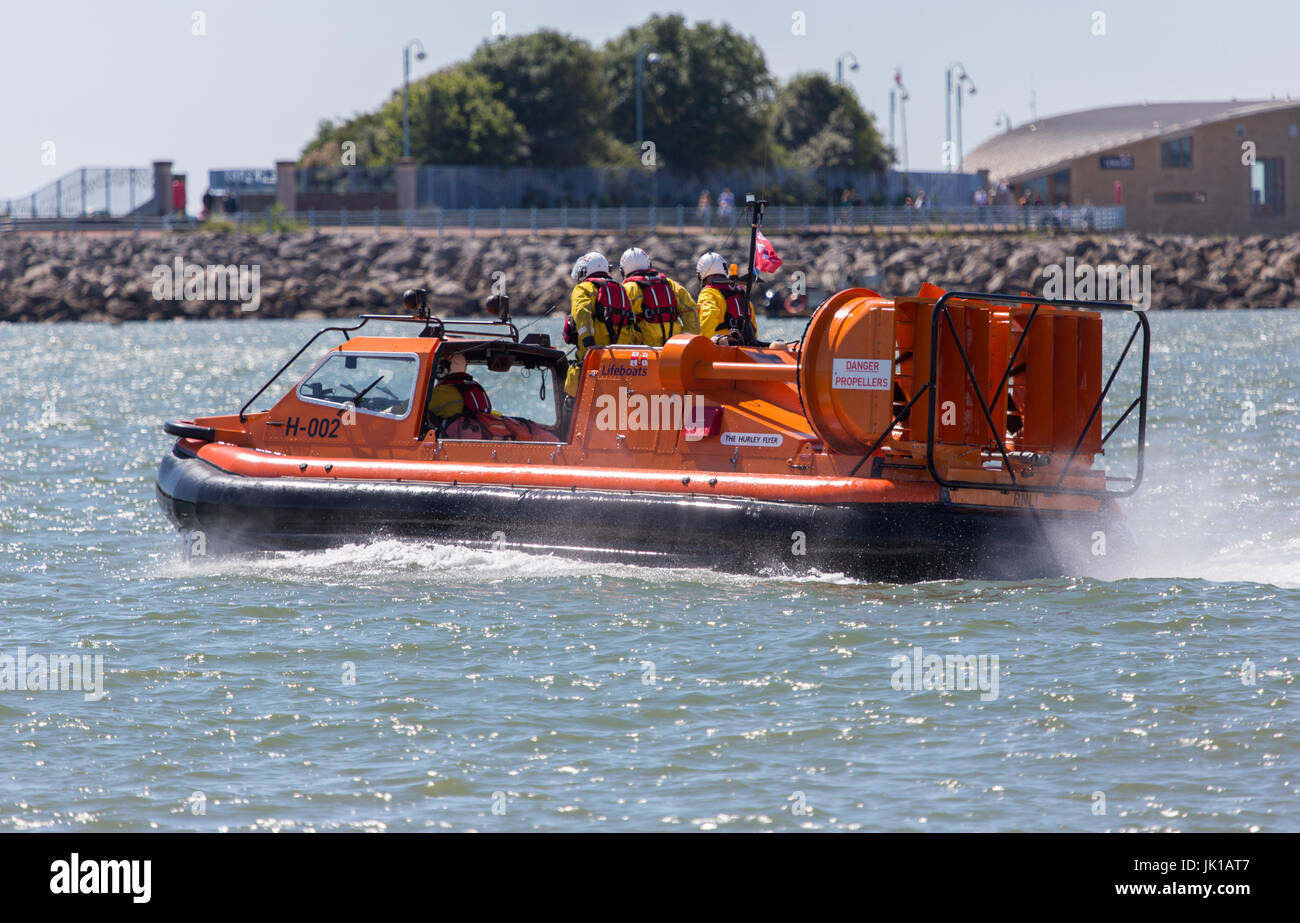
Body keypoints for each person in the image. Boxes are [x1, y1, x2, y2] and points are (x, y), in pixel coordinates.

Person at [564, 250, 639, 399]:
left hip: (594, 358)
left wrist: (588, 341)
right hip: (621, 361)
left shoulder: (583, 288)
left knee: (571, 395)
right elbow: (632, 322)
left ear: (585, 270)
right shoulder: (621, 289)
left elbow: (581, 312)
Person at [619, 247, 699, 347]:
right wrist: (688, 339)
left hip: (644, 352)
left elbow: (622, 323)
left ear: (623, 271)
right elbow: (690, 310)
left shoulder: (628, 290)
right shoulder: (671, 285)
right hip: (674, 350)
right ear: (649, 264)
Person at [695, 251, 762, 345]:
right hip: (749, 347)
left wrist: (704, 344)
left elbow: (708, 318)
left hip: (724, 350)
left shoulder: (709, 292)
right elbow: (752, 323)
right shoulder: (740, 292)